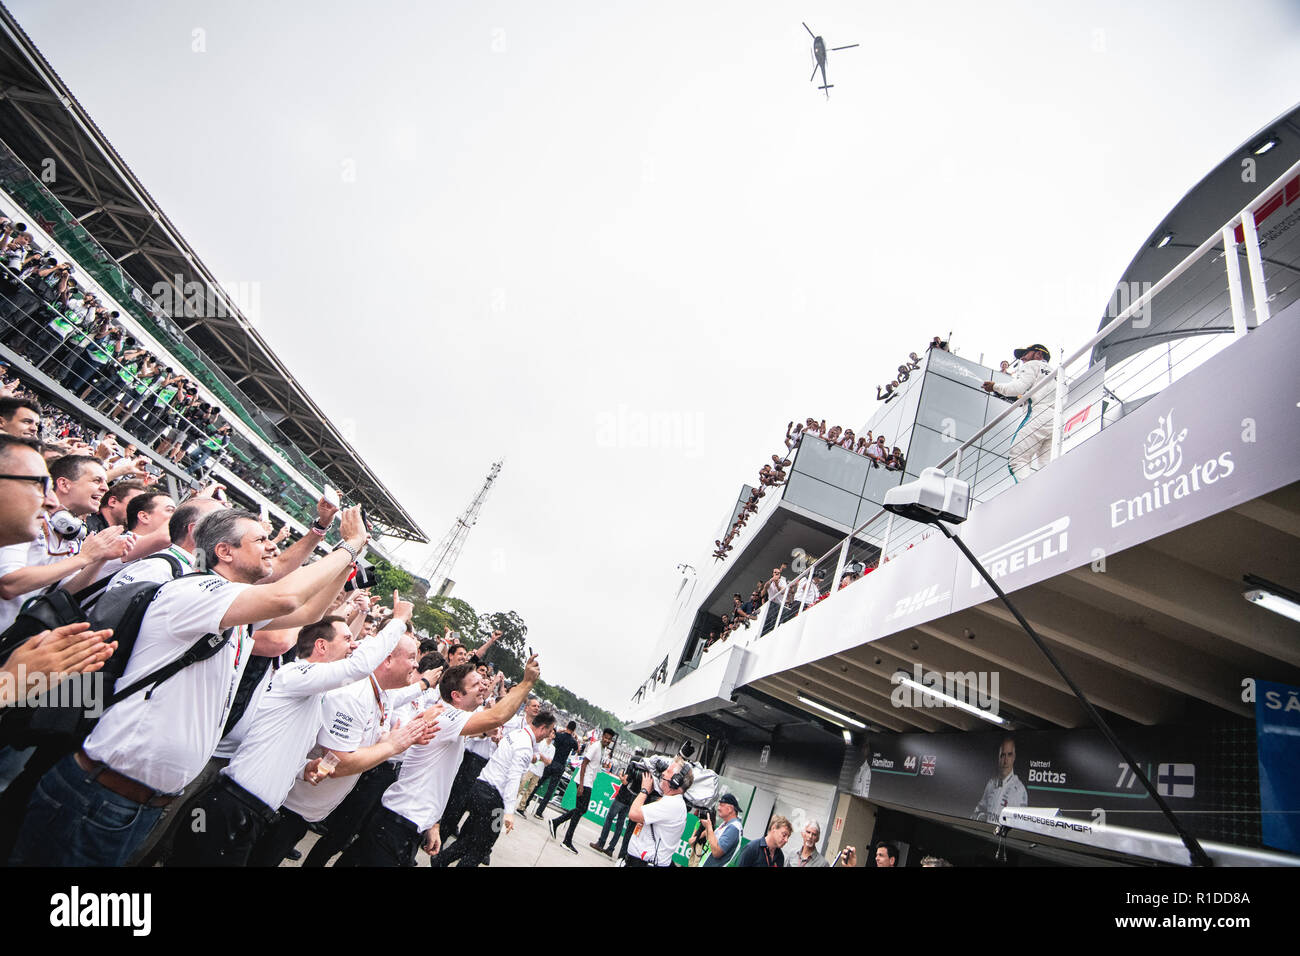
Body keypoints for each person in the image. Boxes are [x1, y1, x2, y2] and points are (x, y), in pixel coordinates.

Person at [8, 506, 371, 866]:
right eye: (259, 539)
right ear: (224, 551)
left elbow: (308, 614)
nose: (270, 546)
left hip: (138, 803)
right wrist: (348, 545)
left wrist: (347, 565)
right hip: (102, 795)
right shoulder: (197, 591)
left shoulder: (235, 612)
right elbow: (286, 597)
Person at [168, 599, 433, 866]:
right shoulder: (294, 673)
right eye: (347, 639)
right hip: (233, 803)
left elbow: (283, 746)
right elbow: (358, 667)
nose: (354, 646)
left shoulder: (315, 695)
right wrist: (399, 620)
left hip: (255, 813)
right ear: (321, 645)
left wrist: (304, 768)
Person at [336, 655, 542, 867]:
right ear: (456, 695)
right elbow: (496, 717)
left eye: (482, 683)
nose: (482, 687)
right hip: (395, 826)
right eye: (475, 685)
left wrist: (433, 824)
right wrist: (526, 683)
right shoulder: (446, 717)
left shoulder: (450, 720)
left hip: (406, 825)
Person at [429, 710, 557, 867]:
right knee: (483, 847)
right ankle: (440, 861)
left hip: (480, 788)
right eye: (550, 731)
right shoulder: (524, 747)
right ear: (543, 728)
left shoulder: (516, 734)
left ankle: (438, 861)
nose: (549, 735)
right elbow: (513, 778)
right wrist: (509, 812)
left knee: (469, 840)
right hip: (493, 800)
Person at [982, 344, 1057, 483]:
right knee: (1047, 467)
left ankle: (1028, 498)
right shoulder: (1058, 373)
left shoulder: (1033, 364)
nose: (1022, 358)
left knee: (1017, 458)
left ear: (1038, 355)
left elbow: (1017, 388)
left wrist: (995, 386)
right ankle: (1048, 499)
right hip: (1057, 421)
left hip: (1037, 414)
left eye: (1026, 353)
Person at [549, 727, 613, 853]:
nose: (607, 740)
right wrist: (581, 785)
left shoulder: (602, 749)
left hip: (588, 782)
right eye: (606, 737)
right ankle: (566, 839)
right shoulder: (595, 746)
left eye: (609, 739)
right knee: (580, 810)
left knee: (581, 810)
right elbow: (584, 763)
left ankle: (557, 823)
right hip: (584, 782)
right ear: (602, 736)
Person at [625, 761, 693, 867]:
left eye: (668, 771)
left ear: (676, 781)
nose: (663, 773)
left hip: (646, 863)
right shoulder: (673, 801)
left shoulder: (671, 804)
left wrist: (644, 790)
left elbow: (634, 814)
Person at [523, 719, 579, 816]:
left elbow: (553, 733)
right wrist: (576, 738)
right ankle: (539, 812)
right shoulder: (572, 741)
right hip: (560, 765)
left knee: (538, 783)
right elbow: (578, 749)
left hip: (551, 761)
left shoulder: (559, 735)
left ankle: (526, 803)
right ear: (574, 730)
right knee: (550, 791)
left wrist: (561, 731)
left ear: (567, 726)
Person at [971, 735, 1027, 823]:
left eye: (1009, 755)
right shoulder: (991, 784)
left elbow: (1023, 823)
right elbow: (978, 811)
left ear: (1014, 757)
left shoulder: (1020, 790)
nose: (1005, 761)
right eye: (1003, 755)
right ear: (998, 757)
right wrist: (980, 818)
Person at [699, 792, 743, 867]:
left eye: (722, 805)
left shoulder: (734, 827)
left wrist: (709, 827)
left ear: (730, 809)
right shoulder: (725, 824)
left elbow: (716, 852)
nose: (718, 808)